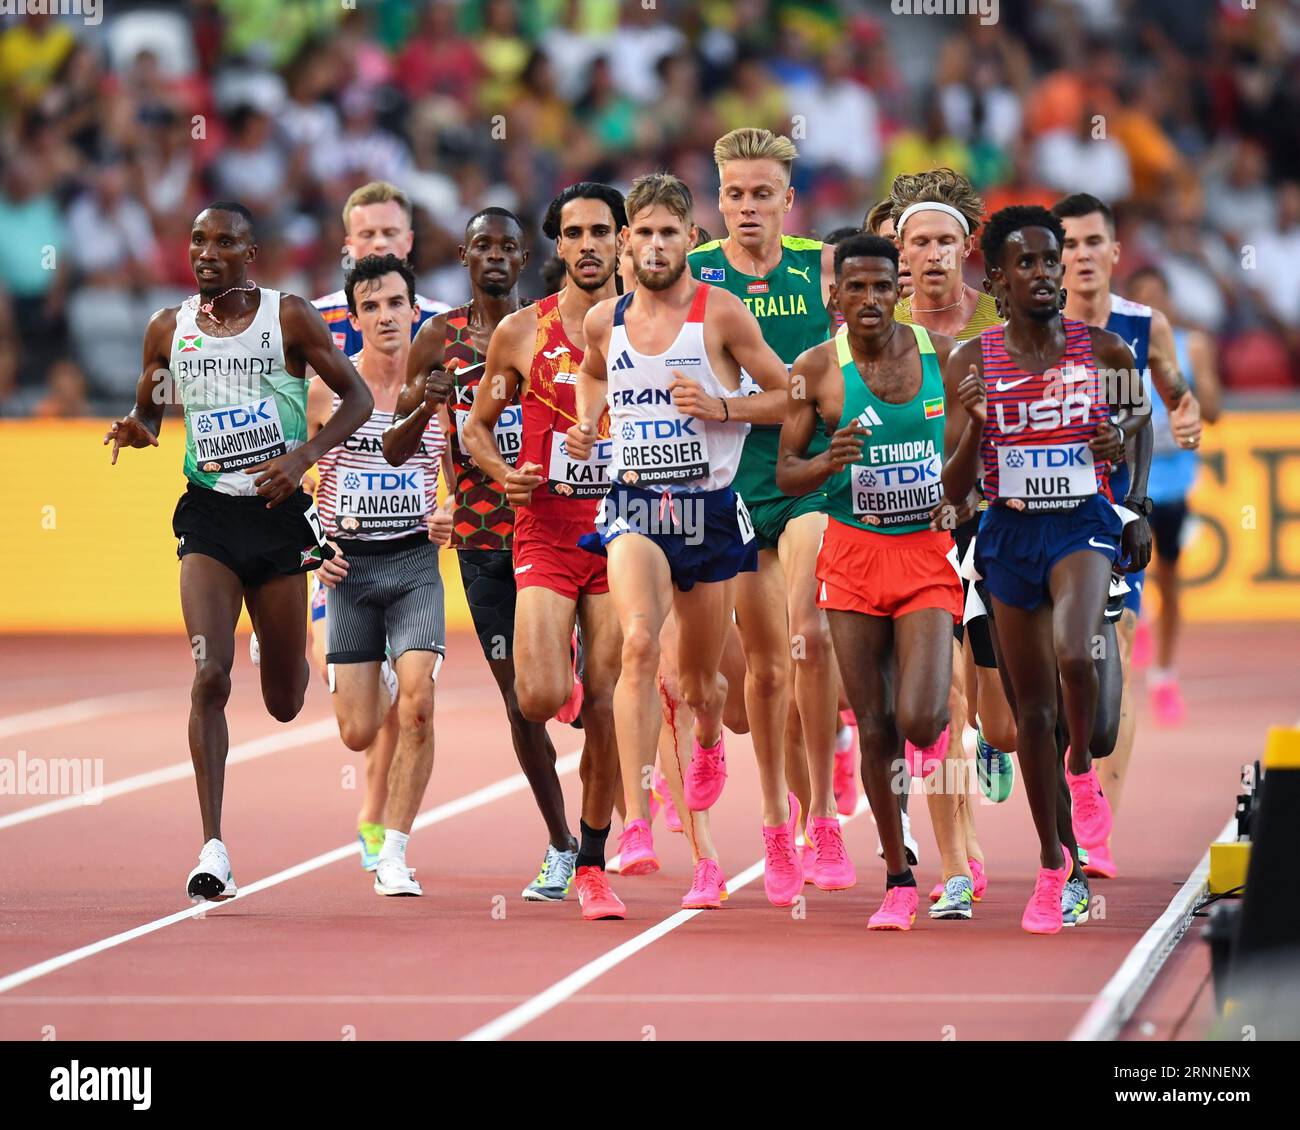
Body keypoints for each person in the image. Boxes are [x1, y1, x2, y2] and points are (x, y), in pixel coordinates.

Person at [105, 202, 373, 900]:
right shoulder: (169, 328)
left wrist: (305, 455)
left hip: (278, 517)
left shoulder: (287, 318)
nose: (207, 252)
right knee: (209, 677)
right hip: (210, 520)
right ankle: (213, 847)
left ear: (250, 253)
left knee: (285, 701)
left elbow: (358, 397)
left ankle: (268, 641)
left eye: (225, 242)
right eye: (197, 240)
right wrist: (137, 430)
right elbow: (151, 408)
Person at [567, 172, 792, 909]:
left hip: (709, 512)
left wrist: (723, 404)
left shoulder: (719, 313)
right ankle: (636, 821)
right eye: (645, 232)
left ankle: (706, 739)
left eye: (671, 231)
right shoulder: (605, 320)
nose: (657, 244)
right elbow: (592, 374)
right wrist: (587, 420)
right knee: (637, 645)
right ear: (627, 241)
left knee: (703, 684)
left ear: (691, 239)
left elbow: (789, 396)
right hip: (637, 507)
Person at [941, 204, 1151, 934]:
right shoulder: (972, 363)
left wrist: (1138, 491)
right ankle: (1052, 864)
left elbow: (1139, 421)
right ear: (996, 279)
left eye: (1050, 260)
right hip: (1007, 534)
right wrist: (973, 424)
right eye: (1025, 264)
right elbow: (953, 485)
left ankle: (1084, 773)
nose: (1043, 274)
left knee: (1074, 649)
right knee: (1030, 713)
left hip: (1081, 527)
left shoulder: (1103, 352)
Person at [395, 206, 583, 900]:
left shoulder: (546, 328)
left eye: (508, 246)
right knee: (522, 704)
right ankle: (563, 845)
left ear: (525, 260)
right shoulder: (436, 338)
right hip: (482, 542)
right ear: (465, 258)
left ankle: (607, 830)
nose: (496, 256)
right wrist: (423, 402)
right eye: (483, 246)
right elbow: (394, 446)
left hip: (561, 527)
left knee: (584, 694)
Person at [778, 233, 963, 929]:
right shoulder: (816, 369)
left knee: (921, 717)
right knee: (878, 725)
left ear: (900, 291)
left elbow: (974, 444)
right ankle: (899, 876)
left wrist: (960, 496)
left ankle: (947, 759)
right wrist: (828, 463)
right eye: (854, 287)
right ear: (836, 296)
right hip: (852, 557)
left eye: (881, 287)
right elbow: (786, 471)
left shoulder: (941, 357)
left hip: (924, 554)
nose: (868, 300)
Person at [688, 127, 851, 897]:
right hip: (729, 488)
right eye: (735, 195)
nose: (748, 208)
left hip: (808, 479)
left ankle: (822, 819)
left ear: (790, 199)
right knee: (760, 679)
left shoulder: (823, 271)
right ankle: (774, 826)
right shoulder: (692, 275)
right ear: (717, 199)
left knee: (808, 637)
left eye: (763, 195)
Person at [463, 182, 627, 921]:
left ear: (624, 239)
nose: (588, 245)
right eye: (574, 233)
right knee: (535, 696)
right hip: (549, 534)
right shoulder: (522, 333)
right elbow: (477, 427)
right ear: (556, 246)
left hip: (628, 534)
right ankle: (573, 671)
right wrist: (505, 474)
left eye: (601, 231)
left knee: (605, 704)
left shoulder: (652, 329)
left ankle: (590, 861)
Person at [1054, 192, 1201, 879]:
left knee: (1110, 654)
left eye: (1092, 243)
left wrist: (1187, 407)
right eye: (1069, 245)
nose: (1082, 256)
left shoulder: (1145, 326)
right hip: (1036, 518)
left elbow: (1170, 388)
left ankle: (1098, 828)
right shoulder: (1031, 330)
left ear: (1115, 253)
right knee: (1049, 676)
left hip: (1114, 520)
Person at [311, 254, 450, 895]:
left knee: (419, 707)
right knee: (357, 731)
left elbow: (467, 474)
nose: (386, 316)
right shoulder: (327, 392)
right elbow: (291, 481)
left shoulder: (441, 391)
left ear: (413, 309)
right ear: (355, 317)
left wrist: (451, 510)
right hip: (350, 568)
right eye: (371, 306)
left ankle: (394, 850)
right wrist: (314, 551)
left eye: (396, 303)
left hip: (416, 560)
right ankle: (379, 670)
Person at [886, 169, 1003, 908]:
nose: (932, 255)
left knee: (1002, 720)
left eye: (944, 241)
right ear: (902, 250)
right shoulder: (877, 325)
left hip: (997, 524)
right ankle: (957, 862)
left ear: (967, 247)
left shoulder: (1000, 320)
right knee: (938, 700)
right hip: (914, 533)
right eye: (918, 242)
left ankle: (999, 739)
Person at [1125, 264, 1222, 725]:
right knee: (1125, 573)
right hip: (1129, 482)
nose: (1152, 307)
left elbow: (1215, 413)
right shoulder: (1118, 346)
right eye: (1141, 299)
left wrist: (1188, 386)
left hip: (1176, 481)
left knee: (1171, 576)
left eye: (1158, 297)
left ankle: (1164, 675)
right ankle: (1137, 621)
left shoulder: (1191, 345)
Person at [313, 180, 448, 356]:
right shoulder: (315, 319)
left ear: (409, 241)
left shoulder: (443, 320)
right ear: (350, 245)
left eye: (389, 233)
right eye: (367, 234)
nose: (380, 243)